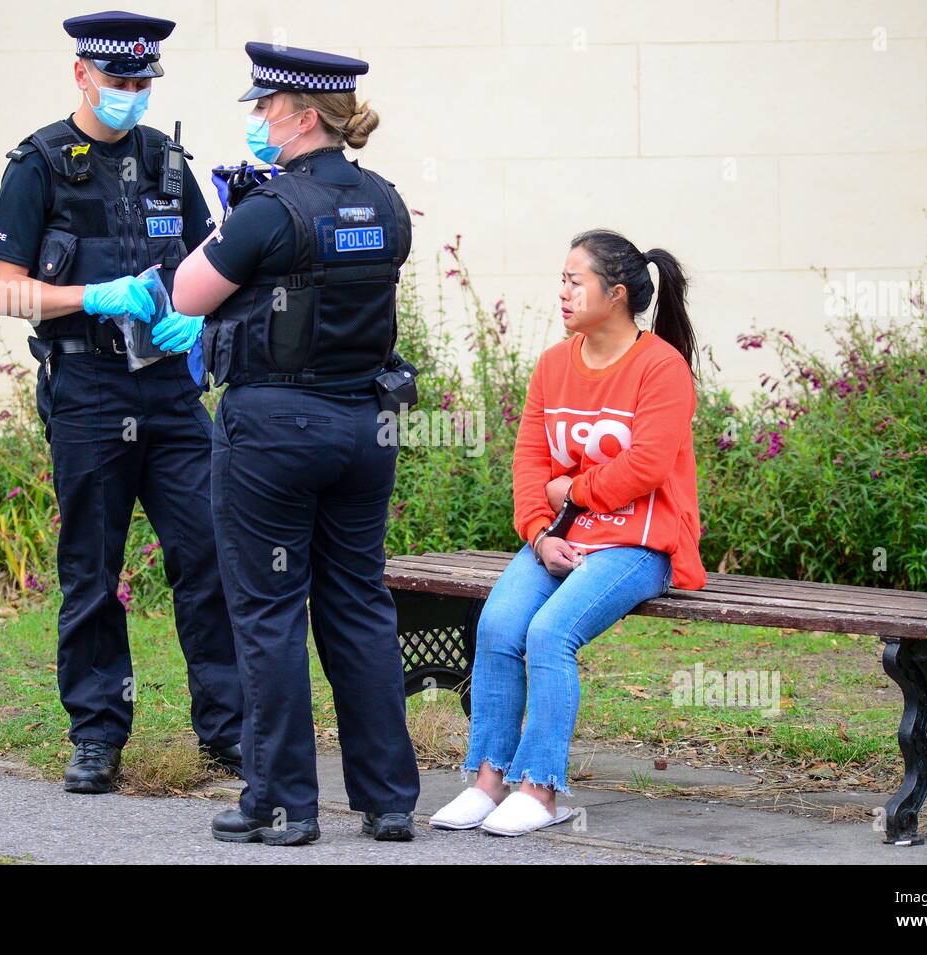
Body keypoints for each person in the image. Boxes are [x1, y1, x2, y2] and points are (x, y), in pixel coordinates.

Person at [0, 10, 243, 794]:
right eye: (119, 81)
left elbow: (215, 258)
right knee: (90, 568)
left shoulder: (167, 161)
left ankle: (228, 734)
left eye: (141, 83)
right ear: (82, 75)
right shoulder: (38, 165)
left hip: (167, 388)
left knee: (208, 554)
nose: (131, 94)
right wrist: (94, 294)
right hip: (89, 389)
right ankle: (97, 734)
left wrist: (191, 314)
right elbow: (4, 291)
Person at [167, 42, 420, 846]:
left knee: (269, 613)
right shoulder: (386, 202)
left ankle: (282, 804)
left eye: (267, 107)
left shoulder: (269, 211)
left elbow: (185, 291)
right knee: (358, 607)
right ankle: (388, 801)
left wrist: (242, 225)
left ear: (306, 116)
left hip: (274, 434)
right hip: (364, 429)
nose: (258, 120)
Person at [430, 231, 706, 836]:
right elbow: (530, 458)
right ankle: (488, 780)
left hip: (640, 542)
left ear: (615, 293)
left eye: (573, 280)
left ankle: (542, 789)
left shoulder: (661, 368)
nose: (562, 292)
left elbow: (648, 467)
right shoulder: (556, 364)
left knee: (550, 632)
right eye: (561, 279)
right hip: (561, 535)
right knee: (500, 625)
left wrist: (573, 492)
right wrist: (537, 531)